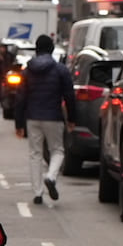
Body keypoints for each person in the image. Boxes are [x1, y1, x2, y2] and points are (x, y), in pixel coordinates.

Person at [11, 34, 76, 206]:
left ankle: (38, 192)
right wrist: (72, 118)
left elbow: (20, 98)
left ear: (37, 49)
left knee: (35, 154)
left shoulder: (27, 71)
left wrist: (19, 123)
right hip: (54, 116)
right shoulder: (61, 70)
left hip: (33, 117)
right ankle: (51, 176)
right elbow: (70, 96)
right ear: (52, 49)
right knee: (57, 150)